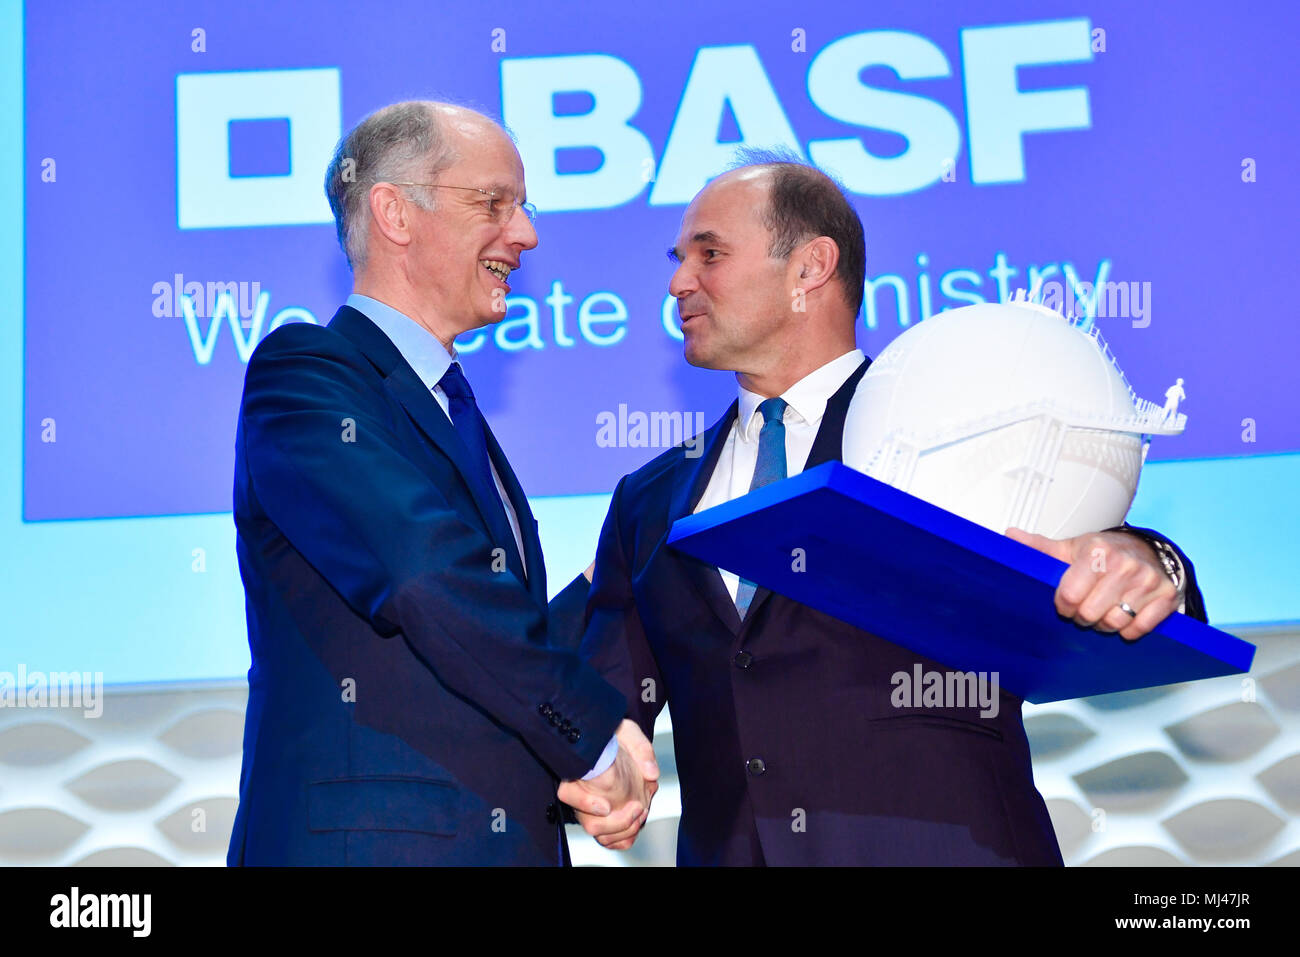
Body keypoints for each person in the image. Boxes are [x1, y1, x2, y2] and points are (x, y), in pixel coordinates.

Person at [577, 154, 1207, 865]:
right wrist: (604, 750)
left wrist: (1150, 566)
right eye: (678, 258)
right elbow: (604, 693)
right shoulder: (647, 496)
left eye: (710, 254)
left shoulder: (957, 421)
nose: (678, 282)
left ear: (810, 267)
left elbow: (1102, 553)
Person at [227, 101, 657, 866]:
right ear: (393, 211)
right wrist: (592, 738)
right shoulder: (307, 374)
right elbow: (424, 579)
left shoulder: (451, 409)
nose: (525, 234)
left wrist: (624, 568)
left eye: (523, 207)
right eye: (493, 203)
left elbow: (476, 635)